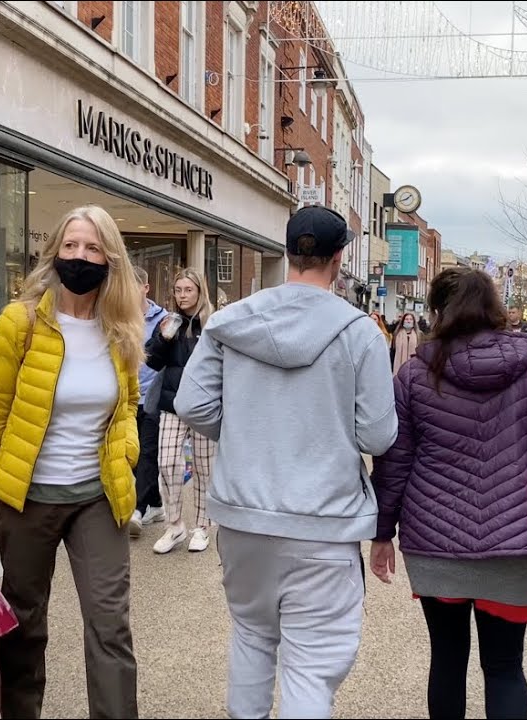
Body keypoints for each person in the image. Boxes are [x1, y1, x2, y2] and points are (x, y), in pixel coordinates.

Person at [175, 205, 397, 719]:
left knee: (251, 637)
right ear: (338, 258)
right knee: (312, 665)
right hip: (323, 519)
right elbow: (379, 434)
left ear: (287, 250)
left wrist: (247, 433)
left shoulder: (230, 322)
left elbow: (192, 405)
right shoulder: (360, 331)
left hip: (243, 514)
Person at [371, 267, 527, 719]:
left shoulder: (415, 375)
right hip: (513, 539)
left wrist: (381, 532)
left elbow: (394, 462)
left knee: (447, 661)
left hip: (435, 539)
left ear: (437, 312)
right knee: (506, 666)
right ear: (494, 309)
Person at [0, 204, 144, 719]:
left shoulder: (120, 329)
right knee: (23, 621)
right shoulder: (18, 324)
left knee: (110, 623)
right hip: (28, 497)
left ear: (110, 259)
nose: (80, 257)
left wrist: (125, 451)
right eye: (71, 246)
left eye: (93, 248)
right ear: (54, 252)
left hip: (97, 498)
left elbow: (127, 404)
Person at [145, 268, 216, 554]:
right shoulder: (168, 322)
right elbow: (150, 361)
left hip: (204, 405)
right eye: (178, 290)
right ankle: (174, 525)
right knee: (167, 462)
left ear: (199, 291)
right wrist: (163, 338)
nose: (182, 295)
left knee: (204, 468)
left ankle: (202, 526)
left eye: (188, 289)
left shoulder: (212, 323)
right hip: (172, 403)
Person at [129, 266, 167, 537]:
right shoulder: (119, 316)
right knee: (132, 455)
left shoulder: (163, 319)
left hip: (153, 396)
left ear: (146, 287)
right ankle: (155, 503)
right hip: (128, 397)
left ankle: (138, 510)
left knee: (147, 453)